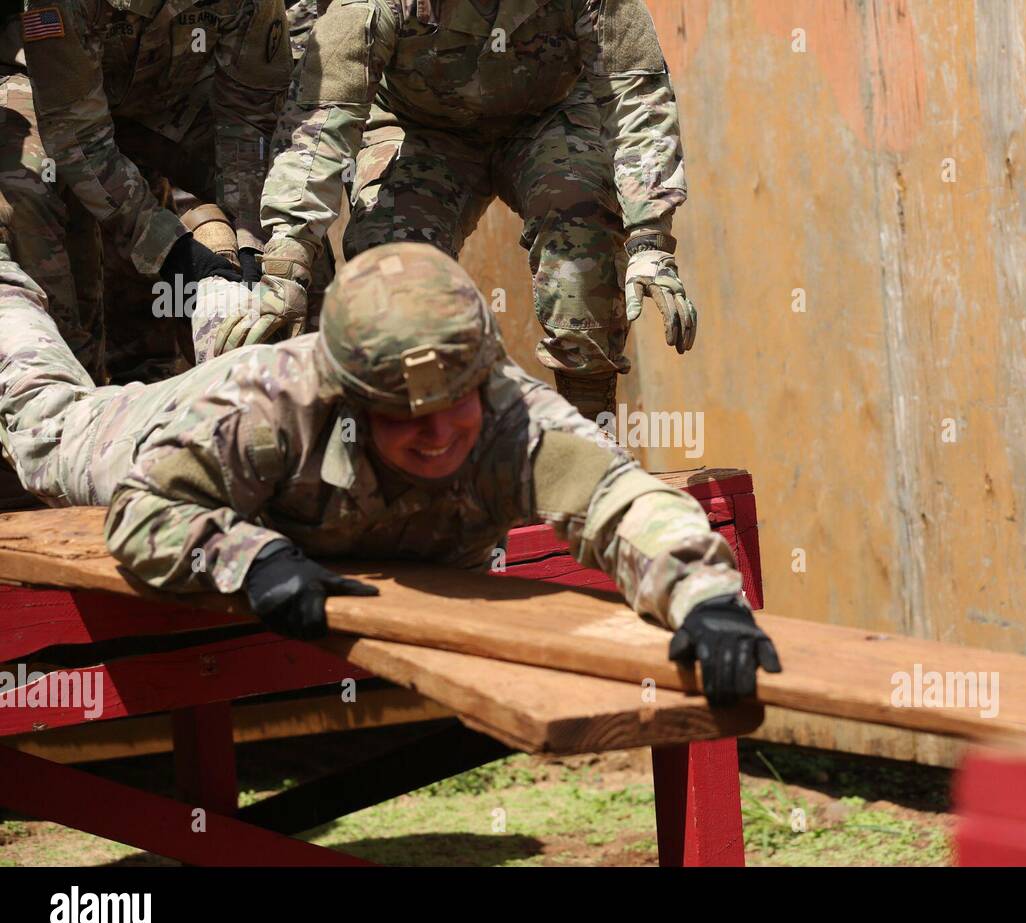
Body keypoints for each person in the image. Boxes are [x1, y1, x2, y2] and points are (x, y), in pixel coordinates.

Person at [0, 212, 778, 704]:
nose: (437, 434)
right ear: (350, 401)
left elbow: (624, 504)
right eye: (403, 419)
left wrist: (705, 599)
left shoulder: (516, 419)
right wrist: (252, 561)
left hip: (259, 449)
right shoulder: (279, 408)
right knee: (42, 421)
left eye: (454, 408)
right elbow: (146, 513)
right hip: (172, 423)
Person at [226, 0, 698, 420]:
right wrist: (288, 257)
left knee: (581, 221)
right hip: (419, 129)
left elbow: (637, 96)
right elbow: (323, 119)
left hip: (548, 117)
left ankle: (589, 429)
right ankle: (428, 443)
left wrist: (650, 239)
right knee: (389, 265)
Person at [5, 0, 292, 383]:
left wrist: (251, 236)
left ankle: (299, 377)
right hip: (57, 97)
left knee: (286, 192)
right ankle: (72, 392)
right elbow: (79, 138)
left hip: (171, 94)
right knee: (31, 190)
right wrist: (175, 252)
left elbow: (249, 115)